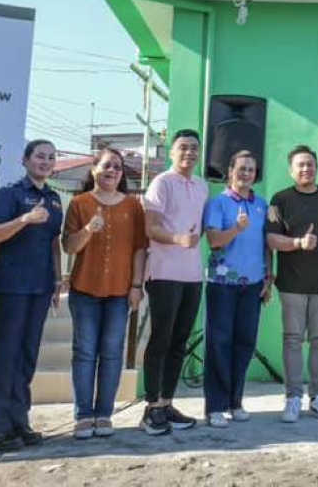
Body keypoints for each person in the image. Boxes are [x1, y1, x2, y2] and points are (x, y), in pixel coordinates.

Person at [0, 140, 64, 451]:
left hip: (41, 286)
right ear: (25, 159)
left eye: (51, 157)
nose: (45, 161)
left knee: (27, 355)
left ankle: (19, 420)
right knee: (6, 355)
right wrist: (24, 220)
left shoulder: (54, 198)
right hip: (12, 285)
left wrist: (57, 279)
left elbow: (54, 241)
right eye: (39, 156)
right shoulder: (11, 193)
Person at [63, 147, 146, 440]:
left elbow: (140, 248)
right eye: (107, 165)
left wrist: (137, 286)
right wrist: (88, 230)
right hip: (84, 290)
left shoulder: (134, 206)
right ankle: (84, 415)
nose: (112, 171)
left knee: (112, 354)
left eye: (118, 167)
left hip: (120, 292)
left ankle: (104, 414)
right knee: (84, 353)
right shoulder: (79, 203)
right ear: (94, 169)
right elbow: (69, 247)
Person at [266, 145, 318, 423]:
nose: (306, 169)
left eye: (310, 164)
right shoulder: (280, 200)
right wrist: (298, 243)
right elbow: (272, 240)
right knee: (293, 340)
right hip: (291, 284)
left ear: (317, 166)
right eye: (300, 165)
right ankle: (293, 398)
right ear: (291, 169)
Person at [140, 129, 208, 436]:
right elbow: (151, 228)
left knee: (179, 342)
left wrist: (190, 238)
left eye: (194, 148)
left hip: (193, 275)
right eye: (183, 148)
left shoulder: (202, 185)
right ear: (171, 151)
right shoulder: (161, 182)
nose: (189, 153)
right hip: (164, 272)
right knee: (161, 340)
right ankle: (151, 407)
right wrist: (177, 238)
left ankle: (167, 402)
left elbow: (199, 229)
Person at [202, 150, 272, 428]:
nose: (246, 174)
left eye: (251, 169)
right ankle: (215, 406)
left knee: (244, 344)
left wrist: (269, 277)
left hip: (253, 284)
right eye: (241, 168)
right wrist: (236, 228)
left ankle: (235, 401)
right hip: (222, 284)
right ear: (230, 171)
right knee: (219, 343)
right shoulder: (219, 203)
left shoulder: (261, 204)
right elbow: (213, 240)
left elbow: (266, 245)